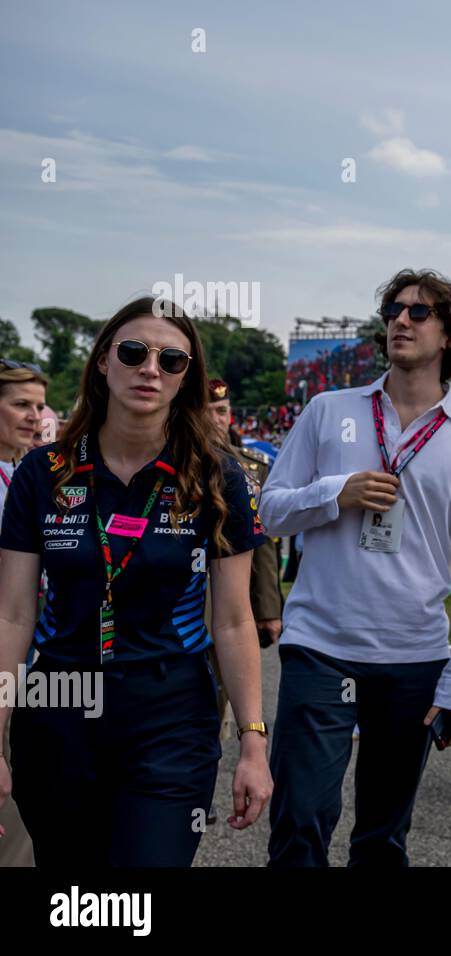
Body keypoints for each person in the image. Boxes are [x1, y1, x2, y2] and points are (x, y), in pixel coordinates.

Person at [0, 297, 272, 866]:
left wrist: (253, 740)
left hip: (168, 712)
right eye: (133, 352)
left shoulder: (218, 475)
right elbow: (13, 615)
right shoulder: (42, 472)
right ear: (103, 362)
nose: (151, 369)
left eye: (172, 361)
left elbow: (233, 618)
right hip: (58, 706)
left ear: (185, 378)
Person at [260, 268, 451, 867]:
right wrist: (334, 492)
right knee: (301, 821)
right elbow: (269, 513)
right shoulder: (327, 410)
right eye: (394, 308)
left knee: (383, 837)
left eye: (420, 312)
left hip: (413, 657)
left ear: (450, 336)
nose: (401, 319)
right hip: (320, 645)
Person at [204, 378, 284, 748]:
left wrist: (268, 609)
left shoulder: (254, 467)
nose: (214, 419)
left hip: (232, 598)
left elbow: (264, 542)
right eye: (205, 410)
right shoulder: (172, 460)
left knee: (222, 690)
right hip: (183, 596)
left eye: (220, 411)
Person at [0, 360, 47, 867]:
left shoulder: (29, 473)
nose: (34, 417)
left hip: (30, 654)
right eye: (20, 405)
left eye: (38, 405)